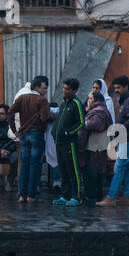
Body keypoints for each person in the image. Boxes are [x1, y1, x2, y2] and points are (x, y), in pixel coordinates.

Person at [97, 75, 129, 206]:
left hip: (127, 138)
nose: (116, 90)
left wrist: (119, 128)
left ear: (126, 86)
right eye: (115, 87)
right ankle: (128, 196)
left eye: (118, 88)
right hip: (127, 137)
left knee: (119, 168)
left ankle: (111, 197)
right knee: (127, 167)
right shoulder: (127, 99)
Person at [7, 75, 51, 203]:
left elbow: (10, 112)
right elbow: (44, 118)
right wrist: (53, 115)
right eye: (44, 88)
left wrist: (14, 130)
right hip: (36, 134)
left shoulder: (21, 98)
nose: (45, 91)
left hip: (23, 135)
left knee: (25, 164)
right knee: (34, 165)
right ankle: (31, 196)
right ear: (37, 87)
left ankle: (22, 195)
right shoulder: (42, 100)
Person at [52, 78, 85, 206]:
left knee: (73, 169)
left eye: (67, 89)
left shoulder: (76, 104)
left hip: (69, 142)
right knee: (63, 169)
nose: (64, 91)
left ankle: (76, 196)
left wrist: (68, 132)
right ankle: (64, 195)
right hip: (59, 142)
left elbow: (81, 123)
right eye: (64, 88)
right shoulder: (63, 104)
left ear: (74, 91)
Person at [80, 79, 113, 203]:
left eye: (90, 98)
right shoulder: (98, 109)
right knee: (96, 170)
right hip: (97, 145)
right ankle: (94, 194)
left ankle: (92, 195)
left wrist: (83, 123)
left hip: (96, 146)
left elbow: (96, 125)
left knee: (93, 171)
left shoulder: (99, 111)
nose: (88, 100)